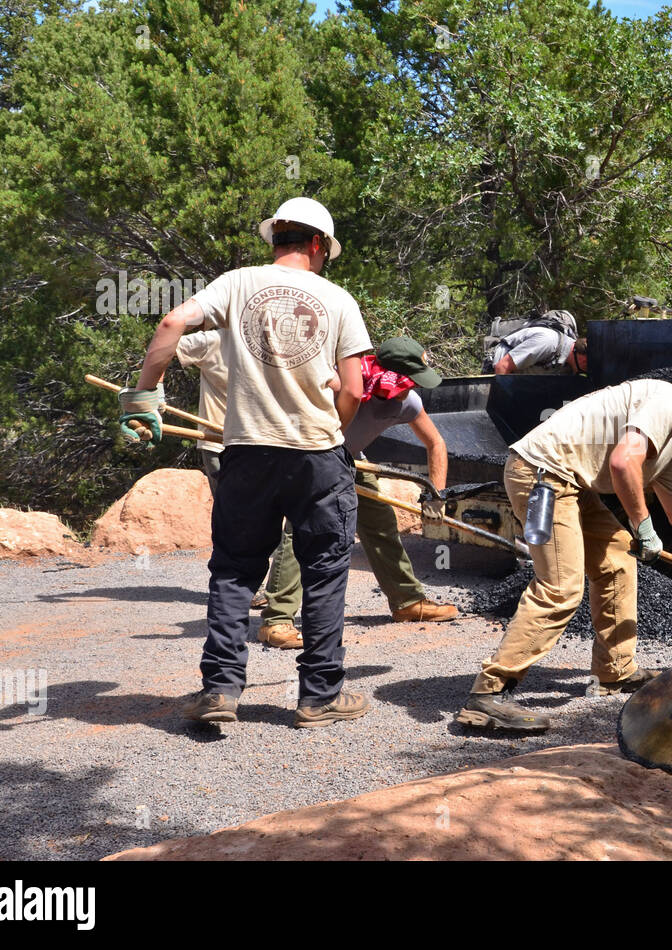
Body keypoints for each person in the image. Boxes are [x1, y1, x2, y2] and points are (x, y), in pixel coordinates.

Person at [118, 196, 374, 728]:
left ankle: (220, 691)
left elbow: (170, 324)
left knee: (234, 571)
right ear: (317, 244)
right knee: (324, 572)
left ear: (276, 240)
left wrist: (143, 397)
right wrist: (336, 434)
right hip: (316, 457)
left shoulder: (235, 283)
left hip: (246, 452)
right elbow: (354, 388)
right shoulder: (338, 299)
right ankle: (320, 697)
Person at [455, 349, 672, 733]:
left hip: (571, 482)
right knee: (561, 586)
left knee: (617, 558)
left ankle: (615, 670)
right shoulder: (669, 402)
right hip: (541, 477)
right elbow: (623, 462)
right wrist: (643, 526)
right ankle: (487, 696)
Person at [259, 336, 460, 635]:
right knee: (300, 532)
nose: (414, 388)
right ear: (391, 375)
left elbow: (436, 443)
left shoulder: (408, 403)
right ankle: (277, 620)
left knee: (381, 527)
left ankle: (407, 601)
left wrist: (436, 495)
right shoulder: (342, 387)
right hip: (311, 455)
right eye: (410, 380)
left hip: (352, 460)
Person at [176, 328, 298, 649]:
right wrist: (150, 390)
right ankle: (246, 591)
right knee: (240, 525)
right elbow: (168, 344)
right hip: (219, 446)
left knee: (273, 520)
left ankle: (259, 590)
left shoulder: (272, 348)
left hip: (259, 444)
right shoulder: (213, 340)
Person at [491, 324, 588, 375]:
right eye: (588, 367)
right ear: (584, 360)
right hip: (494, 375)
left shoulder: (568, 364)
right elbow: (502, 366)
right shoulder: (547, 342)